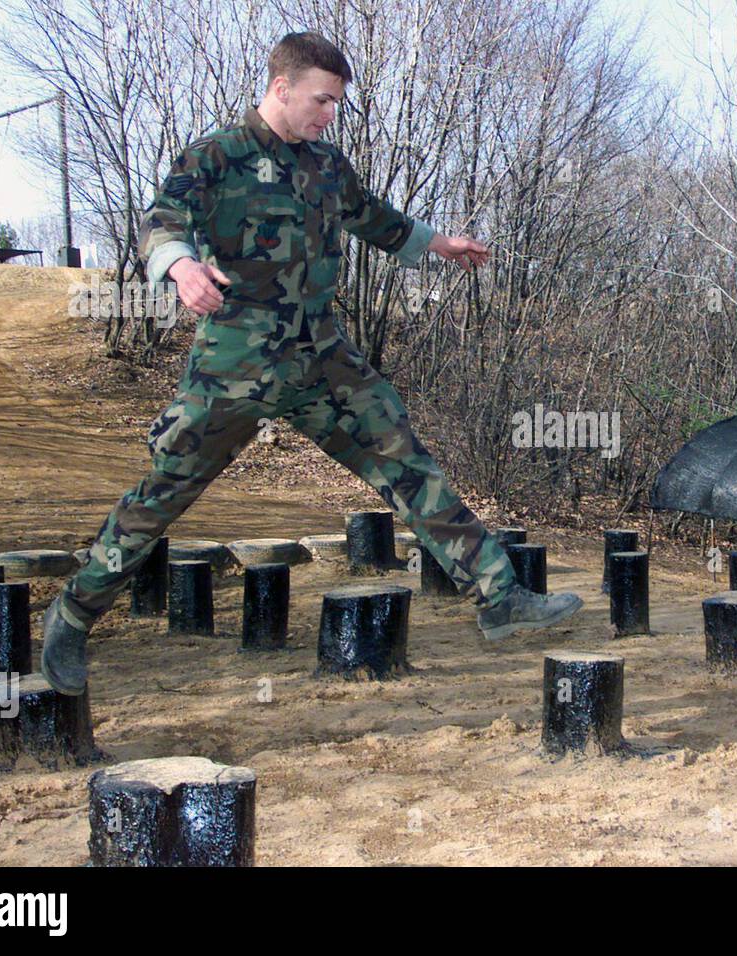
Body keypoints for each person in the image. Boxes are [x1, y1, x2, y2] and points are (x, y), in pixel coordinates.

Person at [40, 31, 583, 695]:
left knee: (404, 458)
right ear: (281, 88)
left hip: (322, 357)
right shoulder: (217, 155)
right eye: (321, 100)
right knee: (165, 493)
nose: (329, 113)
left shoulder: (326, 165)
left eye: (336, 103)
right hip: (236, 362)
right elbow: (161, 218)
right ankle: (73, 613)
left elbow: (370, 216)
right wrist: (180, 265)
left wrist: (438, 243)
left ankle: (501, 597)